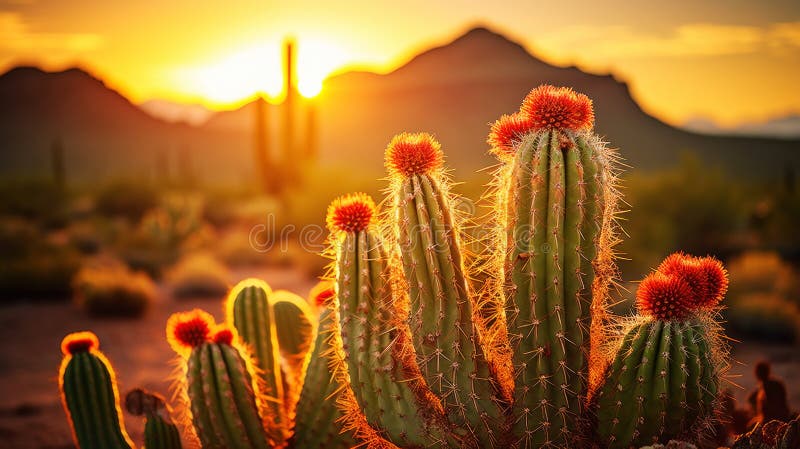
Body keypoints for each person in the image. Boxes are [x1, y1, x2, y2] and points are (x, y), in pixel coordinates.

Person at [747, 361, 791, 425]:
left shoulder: (767, 386)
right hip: (783, 416)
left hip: (772, 419)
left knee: (750, 426)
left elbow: (771, 407)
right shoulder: (776, 383)